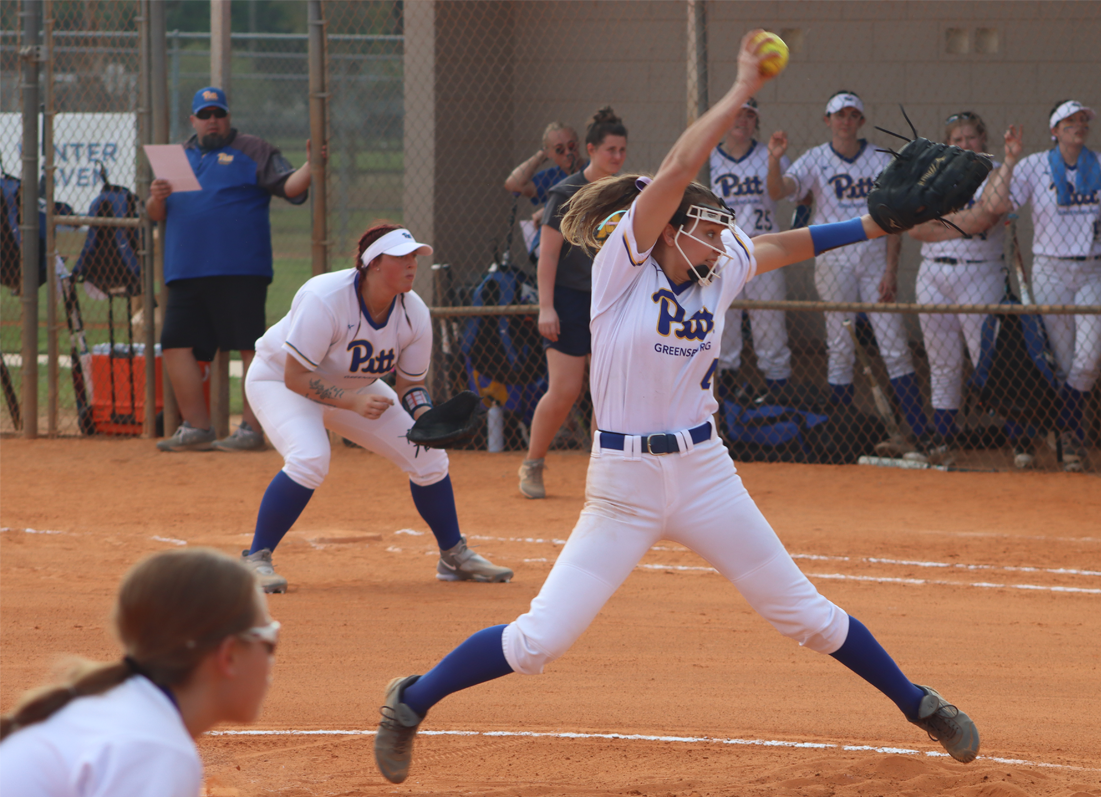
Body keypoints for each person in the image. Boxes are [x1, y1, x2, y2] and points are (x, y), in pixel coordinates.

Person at [371, 31, 980, 785]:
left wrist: (875, 225)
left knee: (808, 617)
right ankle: (411, 701)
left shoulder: (719, 264)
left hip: (703, 471)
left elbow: (791, 244)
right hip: (622, 487)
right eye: (705, 223)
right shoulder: (623, 269)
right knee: (539, 641)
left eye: (722, 226)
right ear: (663, 230)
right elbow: (681, 168)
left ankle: (920, 705)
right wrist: (736, 92)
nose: (722, 235)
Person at [237, 223, 514, 592]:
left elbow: (410, 384)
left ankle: (453, 556)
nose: (412, 264)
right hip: (281, 382)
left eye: (415, 256)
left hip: (356, 390)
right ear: (374, 264)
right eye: (402, 257)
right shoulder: (326, 297)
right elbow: (296, 376)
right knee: (310, 458)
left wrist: (426, 417)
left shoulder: (414, 312)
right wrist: (352, 402)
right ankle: (256, 559)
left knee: (429, 459)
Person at [0, 548, 278, 796]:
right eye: (269, 638)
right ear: (228, 655)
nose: (272, 660)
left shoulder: (123, 710)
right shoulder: (153, 749)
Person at [148, 86, 314, 453]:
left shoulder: (253, 150)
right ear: (193, 120)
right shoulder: (178, 157)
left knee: (250, 347)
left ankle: (251, 430)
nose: (212, 121)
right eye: (204, 115)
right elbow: (156, 214)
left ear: (228, 117)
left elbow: (289, 187)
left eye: (218, 114)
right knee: (175, 345)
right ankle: (197, 427)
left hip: (240, 267)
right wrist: (155, 198)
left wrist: (311, 166)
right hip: (186, 270)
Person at [766, 91, 931, 456]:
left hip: (874, 261)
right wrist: (775, 160)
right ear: (828, 120)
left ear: (860, 121)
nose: (846, 121)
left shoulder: (879, 159)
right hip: (833, 260)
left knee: (894, 346)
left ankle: (918, 432)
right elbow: (779, 191)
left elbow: (894, 219)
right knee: (840, 348)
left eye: (853, 114)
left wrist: (891, 269)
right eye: (839, 115)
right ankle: (839, 435)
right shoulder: (815, 159)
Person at [980, 100, 1101, 472]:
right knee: (1055, 359)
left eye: (1083, 120)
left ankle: (1062, 428)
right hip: (1051, 271)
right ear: (1054, 130)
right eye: (1069, 121)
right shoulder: (1033, 165)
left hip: (1095, 268)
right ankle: (1066, 440)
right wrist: (1009, 159)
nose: (1079, 126)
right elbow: (995, 205)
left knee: (1088, 361)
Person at [517, 107, 628, 499]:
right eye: (610, 150)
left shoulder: (628, 194)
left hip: (612, 300)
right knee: (565, 390)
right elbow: (547, 255)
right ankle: (533, 463)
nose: (617, 158)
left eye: (622, 151)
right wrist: (546, 307)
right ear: (592, 149)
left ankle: (604, 476)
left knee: (607, 393)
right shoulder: (565, 193)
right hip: (568, 299)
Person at [904, 112, 1022, 467]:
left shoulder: (997, 170)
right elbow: (914, 227)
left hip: (980, 274)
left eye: (970, 137)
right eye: (957, 139)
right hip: (934, 276)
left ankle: (1019, 442)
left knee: (988, 361)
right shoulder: (932, 172)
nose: (964, 144)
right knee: (943, 364)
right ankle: (944, 440)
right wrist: (967, 222)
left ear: (982, 139)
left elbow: (991, 212)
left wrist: (940, 222)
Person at [710, 97, 792, 397]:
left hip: (763, 249)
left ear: (756, 122)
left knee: (770, 330)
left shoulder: (770, 154)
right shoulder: (709, 159)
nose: (742, 121)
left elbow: (778, 193)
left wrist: (772, 159)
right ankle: (728, 404)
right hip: (721, 255)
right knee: (724, 331)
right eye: (737, 115)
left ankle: (779, 401)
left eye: (749, 116)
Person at [502, 122, 585, 260]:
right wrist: (541, 155)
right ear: (550, 153)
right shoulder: (552, 176)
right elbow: (512, 183)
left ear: (578, 144)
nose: (568, 153)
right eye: (559, 150)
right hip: (553, 245)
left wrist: (547, 211)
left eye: (572, 146)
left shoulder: (592, 170)